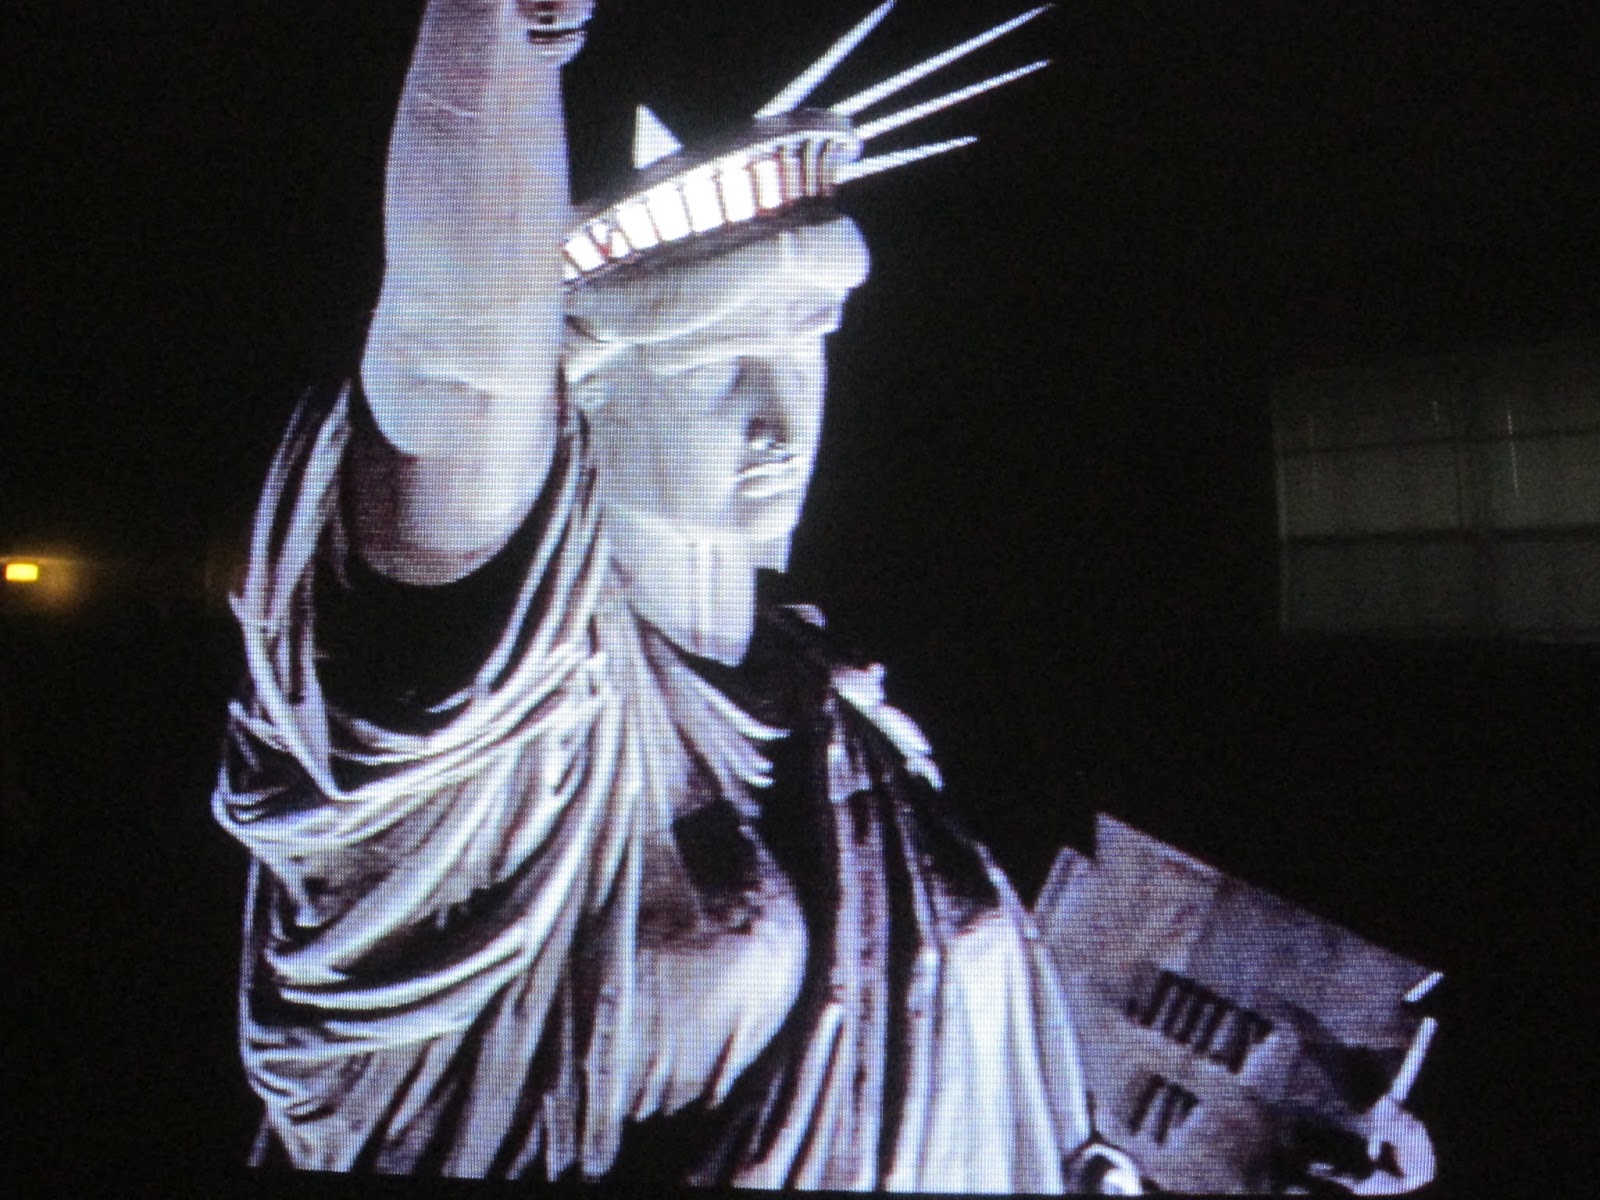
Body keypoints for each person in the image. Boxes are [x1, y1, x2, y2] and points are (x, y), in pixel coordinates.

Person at [213, 2, 1429, 1192]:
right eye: (713, 365)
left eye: (805, 348)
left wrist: (1261, 1149)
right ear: (576, 392)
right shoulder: (477, 722)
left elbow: (1004, 1102)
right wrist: (496, 30)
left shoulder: (846, 727)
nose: (778, 420)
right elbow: (454, 364)